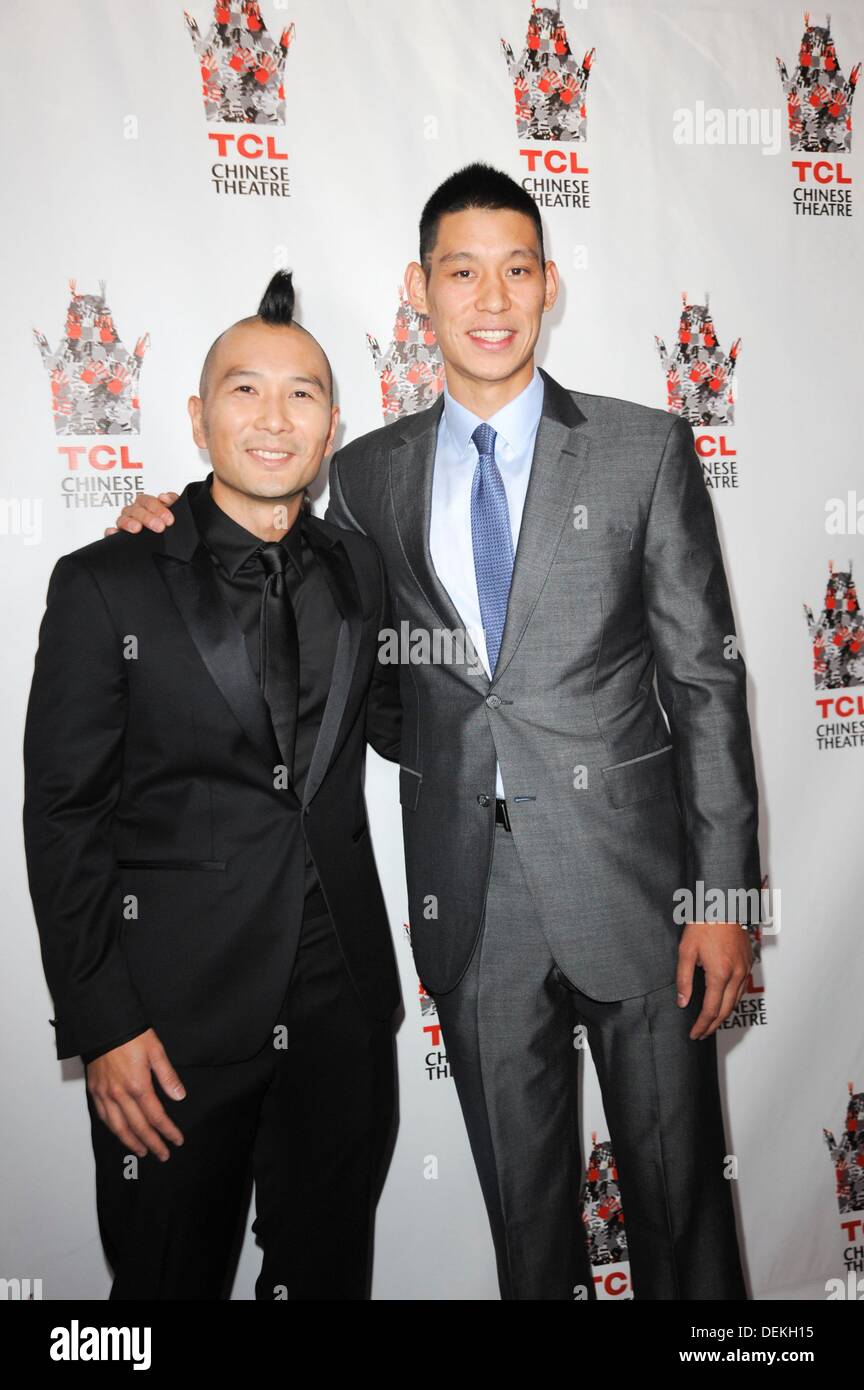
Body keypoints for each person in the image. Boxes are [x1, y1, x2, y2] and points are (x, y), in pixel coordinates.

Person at [109, 163, 761, 1301]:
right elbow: (265, 521)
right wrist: (160, 521)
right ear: (422, 289)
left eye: (517, 269)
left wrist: (724, 900)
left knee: (682, 1213)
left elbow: (707, 685)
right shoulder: (366, 474)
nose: (492, 297)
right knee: (528, 1230)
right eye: (463, 271)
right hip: (469, 903)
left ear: (550, 284)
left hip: (640, 894)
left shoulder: (641, 447)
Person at [23, 271, 402, 1300]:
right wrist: (101, 1020)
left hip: (340, 1005)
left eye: (303, 395)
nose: (274, 418)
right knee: (161, 1286)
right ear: (198, 418)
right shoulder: (107, 582)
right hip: (170, 1022)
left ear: (331, 432)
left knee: (325, 1273)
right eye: (245, 391)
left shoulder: (363, 572)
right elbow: (63, 817)